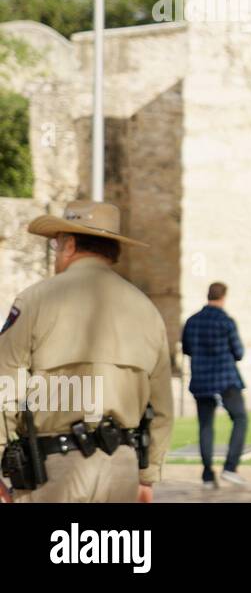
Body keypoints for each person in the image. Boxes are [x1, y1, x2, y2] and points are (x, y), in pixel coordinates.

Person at [0, 200, 174, 502]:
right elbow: (162, 409)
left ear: (69, 245)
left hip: (53, 469)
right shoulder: (147, 310)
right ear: (112, 250)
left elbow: (4, 386)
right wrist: (148, 474)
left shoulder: (34, 301)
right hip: (122, 466)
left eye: (56, 245)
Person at [181, 282, 249, 489]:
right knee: (240, 419)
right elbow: (238, 352)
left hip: (202, 381)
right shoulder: (226, 321)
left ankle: (208, 475)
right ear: (223, 297)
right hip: (225, 380)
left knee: (205, 426)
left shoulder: (192, 321)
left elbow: (187, 349)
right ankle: (230, 467)